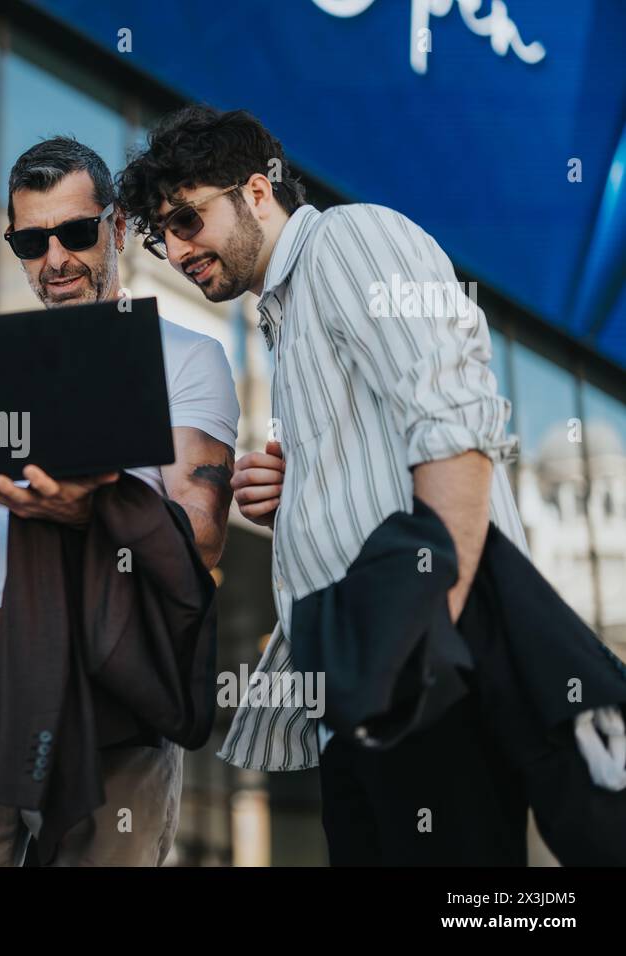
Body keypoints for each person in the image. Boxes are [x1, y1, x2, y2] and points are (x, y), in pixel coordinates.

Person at [117, 102, 540, 864]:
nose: (177, 251)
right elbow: (385, 462)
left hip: (421, 671)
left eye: (186, 220)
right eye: (160, 236)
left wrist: (424, 640)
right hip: (364, 688)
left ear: (255, 191)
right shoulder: (288, 311)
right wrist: (303, 498)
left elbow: (458, 417)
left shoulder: (349, 241)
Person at [0, 137, 240, 866]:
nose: (55, 260)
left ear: (113, 228)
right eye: (31, 239)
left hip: (114, 654)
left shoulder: (188, 356)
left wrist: (95, 508)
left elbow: (203, 538)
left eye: (76, 233)